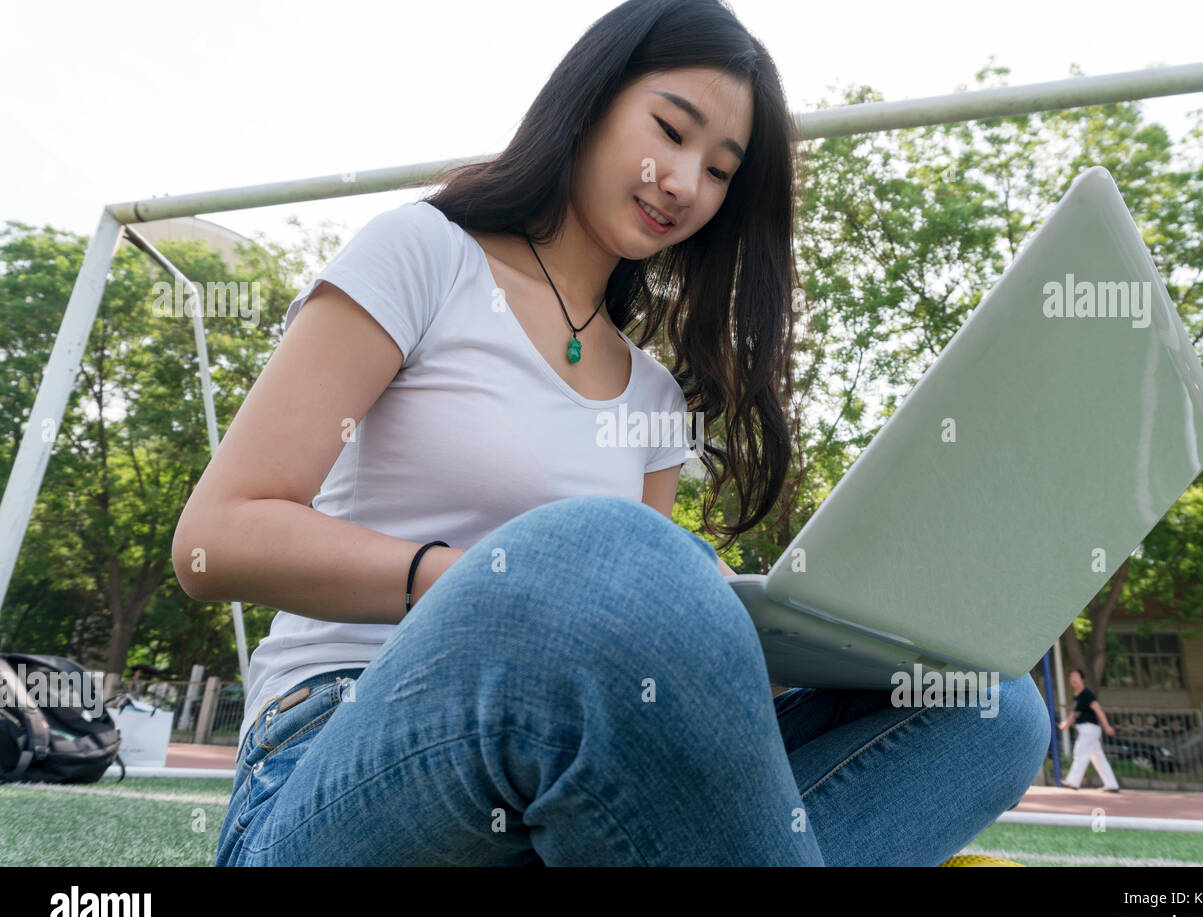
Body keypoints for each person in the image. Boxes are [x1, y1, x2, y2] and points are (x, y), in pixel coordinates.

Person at [176, 0, 1050, 866]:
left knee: (991, 703)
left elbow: (642, 675)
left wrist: (743, 626)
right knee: (609, 551)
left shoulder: (655, 398)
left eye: (719, 172)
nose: (684, 183)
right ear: (591, 99)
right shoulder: (422, 253)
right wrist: (506, 587)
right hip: (334, 756)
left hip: (564, 796)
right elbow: (217, 538)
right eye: (671, 130)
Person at [1058, 667, 1120, 792]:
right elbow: (1074, 714)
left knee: (1080, 753)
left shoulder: (1087, 694)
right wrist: (1066, 724)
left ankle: (1073, 782)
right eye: (1071, 677)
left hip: (1089, 729)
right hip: (1087, 730)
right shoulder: (1077, 696)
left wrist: (1107, 726)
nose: (1073, 679)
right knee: (1098, 758)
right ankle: (1112, 785)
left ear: (1082, 679)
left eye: (1075, 676)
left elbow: (1098, 710)